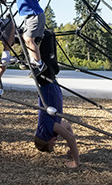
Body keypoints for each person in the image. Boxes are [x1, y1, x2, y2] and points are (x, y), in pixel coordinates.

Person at [32, 36, 78, 168]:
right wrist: (71, 150)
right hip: (51, 81)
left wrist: (76, 161)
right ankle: (44, 34)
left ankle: (32, 38)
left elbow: (71, 138)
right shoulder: (52, 127)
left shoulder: (48, 126)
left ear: (45, 140)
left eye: (52, 145)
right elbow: (68, 126)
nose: (55, 143)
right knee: (50, 40)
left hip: (45, 82)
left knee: (41, 55)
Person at [7, 0, 46, 75]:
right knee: (26, 39)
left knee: (29, 39)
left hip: (35, 15)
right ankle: (33, 62)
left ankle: (39, 64)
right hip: (28, 17)